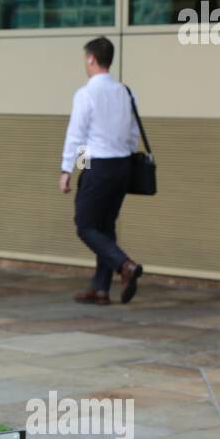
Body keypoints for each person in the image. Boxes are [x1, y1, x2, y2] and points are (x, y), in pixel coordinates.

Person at [58, 37, 144, 305]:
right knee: (105, 226)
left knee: (85, 225)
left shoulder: (86, 94)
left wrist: (67, 169)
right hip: (122, 166)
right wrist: (84, 169)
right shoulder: (126, 92)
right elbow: (132, 135)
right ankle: (101, 289)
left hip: (99, 166)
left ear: (91, 59)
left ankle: (124, 266)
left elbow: (78, 135)